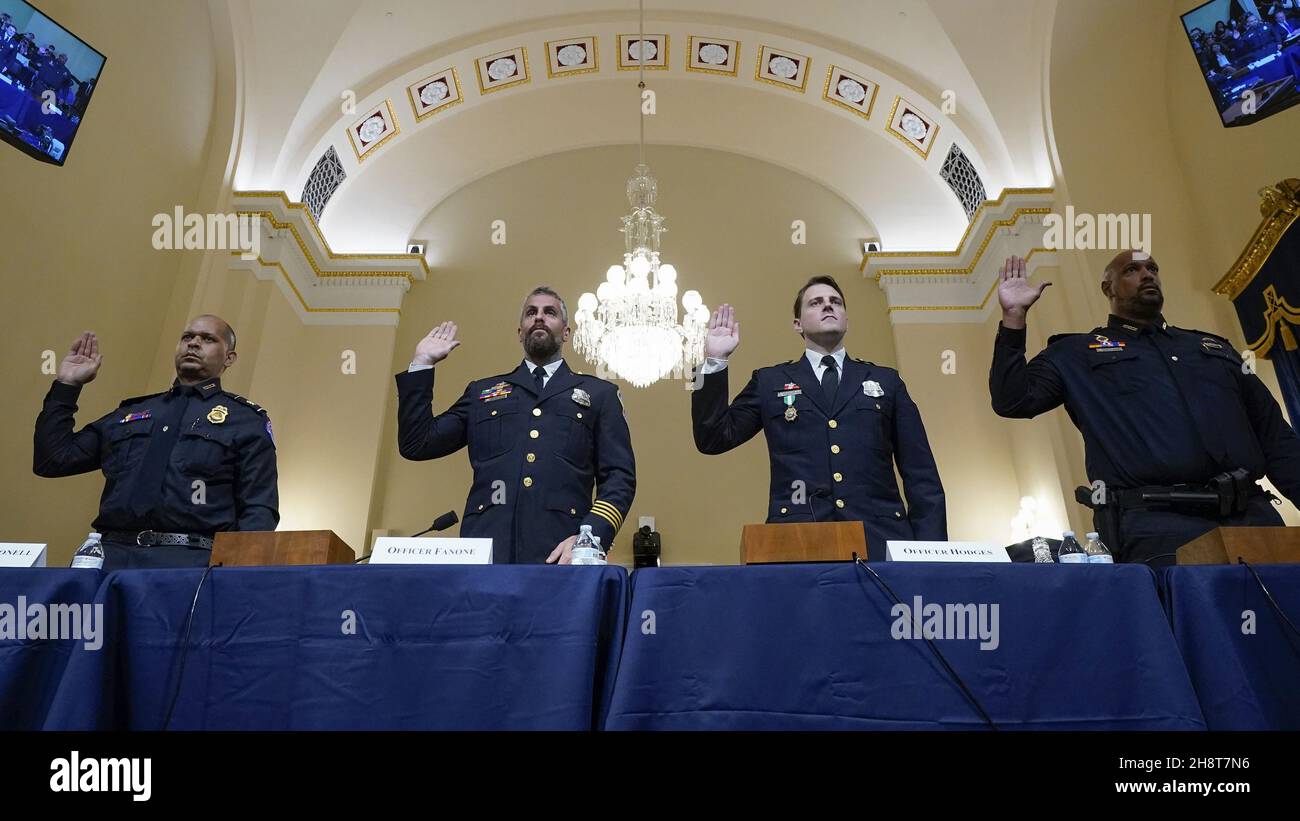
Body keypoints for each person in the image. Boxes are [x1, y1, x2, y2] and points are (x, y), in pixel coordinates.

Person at [989, 252, 1300, 566]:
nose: (1147, 275)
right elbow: (1013, 400)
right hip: (1159, 525)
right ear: (1107, 288)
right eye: (1132, 270)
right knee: (1189, 613)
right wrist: (1013, 320)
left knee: (1285, 612)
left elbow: (1275, 438)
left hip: (1252, 514)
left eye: (1152, 268)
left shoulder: (1212, 347)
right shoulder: (1076, 353)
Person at [690, 275, 946, 561]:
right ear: (797, 324)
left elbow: (921, 474)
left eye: (835, 302)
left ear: (846, 319)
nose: (828, 306)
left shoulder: (886, 381)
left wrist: (932, 556)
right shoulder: (770, 381)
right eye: (816, 302)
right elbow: (712, 437)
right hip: (797, 541)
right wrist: (714, 362)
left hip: (880, 539)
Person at [395, 286, 636, 564]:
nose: (539, 318)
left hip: (562, 555)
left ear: (567, 332)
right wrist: (422, 364)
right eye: (531, 313)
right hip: (486, 554)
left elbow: (619, 477)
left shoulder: (599, 395)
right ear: (520, 332)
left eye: (550, 313)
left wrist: (590, 536)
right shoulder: (482, 393)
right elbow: (418, 443)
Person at [34, 316, 279, 570]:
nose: (193, 343)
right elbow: (53, 460)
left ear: (229, 358)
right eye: (187, 337)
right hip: (108, 557)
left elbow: (258, 508)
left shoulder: (245, 420)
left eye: (207, 339)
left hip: (188, 563)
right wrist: (67, 385)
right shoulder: (132, 413)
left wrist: (239, 574)